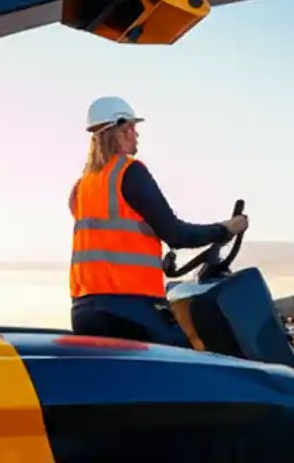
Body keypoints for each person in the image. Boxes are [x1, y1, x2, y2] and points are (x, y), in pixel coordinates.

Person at [67, 95, 249, 346]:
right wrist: (224, 229)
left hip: (85, 311)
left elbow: (113, 239)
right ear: (115, 131)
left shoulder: (81, 187)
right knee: (190, 360)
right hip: (130, 307)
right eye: (129, 128)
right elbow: (176, 235)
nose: (135, 134)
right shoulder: (129, 172)